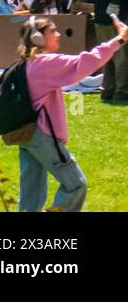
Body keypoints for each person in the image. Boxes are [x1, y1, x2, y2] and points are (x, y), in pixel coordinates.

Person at [14, 15, 128, 212]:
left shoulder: (26, 64)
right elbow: (86, 62)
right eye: (53, 31)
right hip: (43, 135)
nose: (59, 35)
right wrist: (119, 39)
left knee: (30, 195)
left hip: (26, 134)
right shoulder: (45, 63)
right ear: (37, 38)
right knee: (76, 185)